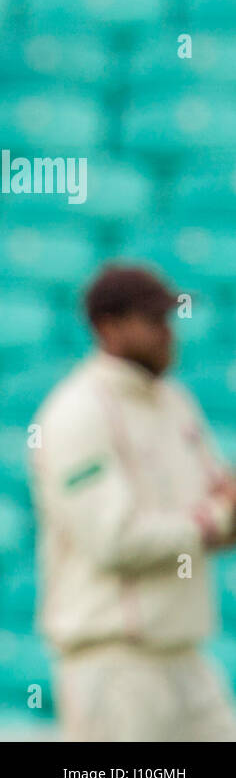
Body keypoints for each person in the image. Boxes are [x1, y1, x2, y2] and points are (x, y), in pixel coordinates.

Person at [30, 264, 236, 741]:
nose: (169, 333)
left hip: (186, 654)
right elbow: (115, 540)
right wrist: (215, 519)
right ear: (109, 326)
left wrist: (220, 516)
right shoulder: (76, 412)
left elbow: (220, 499)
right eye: (154, 321)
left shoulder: (175, 401)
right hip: (113, 662)